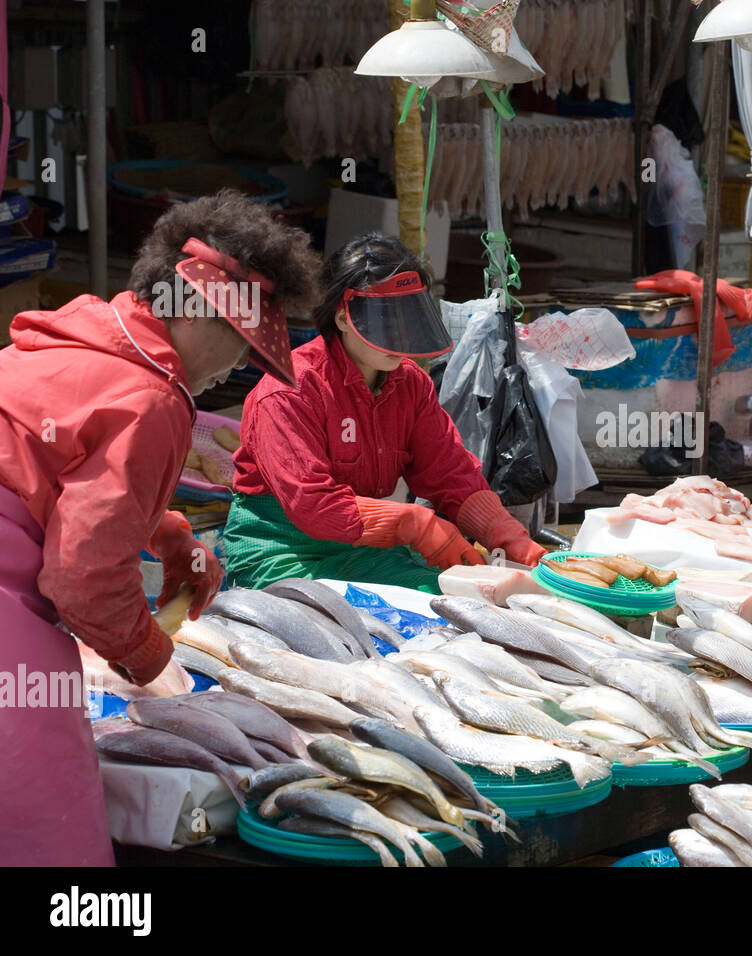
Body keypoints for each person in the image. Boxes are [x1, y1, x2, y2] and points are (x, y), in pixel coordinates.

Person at [0, 190, 320, 865]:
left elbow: (65, 470)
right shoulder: (151, 397)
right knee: (47, 820)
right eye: (242, 342)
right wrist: (150, 658)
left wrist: (167, 533)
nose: (239, 365)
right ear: (199, 311)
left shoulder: (88, 330)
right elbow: (83, 579)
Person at [222, 233, 545, 591]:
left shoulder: (412, 384)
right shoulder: (289, 389)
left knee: (456, 595)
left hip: (360, 547)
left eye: (408, 318)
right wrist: (414, 524)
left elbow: (450, 474)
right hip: (278, 553)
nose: (400, 336)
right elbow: (312, 505)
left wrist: (507, 535)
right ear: (343, 317)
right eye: (385, 320)